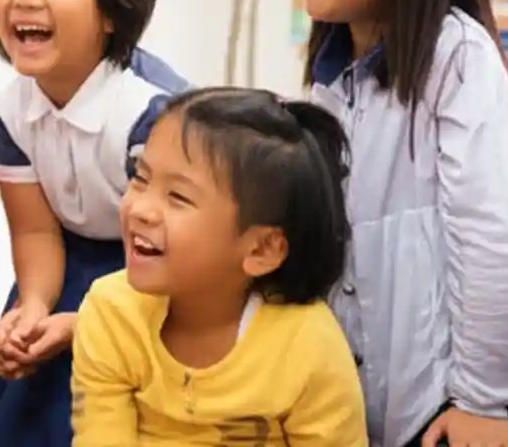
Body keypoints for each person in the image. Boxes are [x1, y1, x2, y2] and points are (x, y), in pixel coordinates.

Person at [293, 0, 508, 446]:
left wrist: (480, 403)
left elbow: (488, 242)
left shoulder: (459, 60)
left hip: (466, 399)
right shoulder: (333, 72)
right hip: (378, 399)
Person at [0, 0, 188, 446]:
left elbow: (190, 260)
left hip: (168, 281)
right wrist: (32, 305)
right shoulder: (10, 113)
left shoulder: (156, 117)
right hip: (69, 269)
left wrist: (86, 326)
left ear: (111, 14)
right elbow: (35, 231)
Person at [70, 87, 366, 445]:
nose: (139, 209)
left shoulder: (309, 344)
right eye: (141, 177)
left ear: (261, 249)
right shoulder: (111, 311)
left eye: (177, 197)